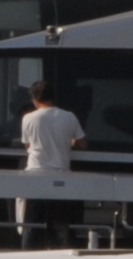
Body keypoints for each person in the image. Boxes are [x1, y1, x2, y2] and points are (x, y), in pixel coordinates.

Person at [14, 79, 85, 245]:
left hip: (35, 176)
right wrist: (69, 141)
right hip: (61, 177)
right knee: (58, 225)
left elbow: (27, 145)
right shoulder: (69, 117)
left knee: (31, 224)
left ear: (35, 99)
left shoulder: (28, 118)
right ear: (52, 98)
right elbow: (82, 144)